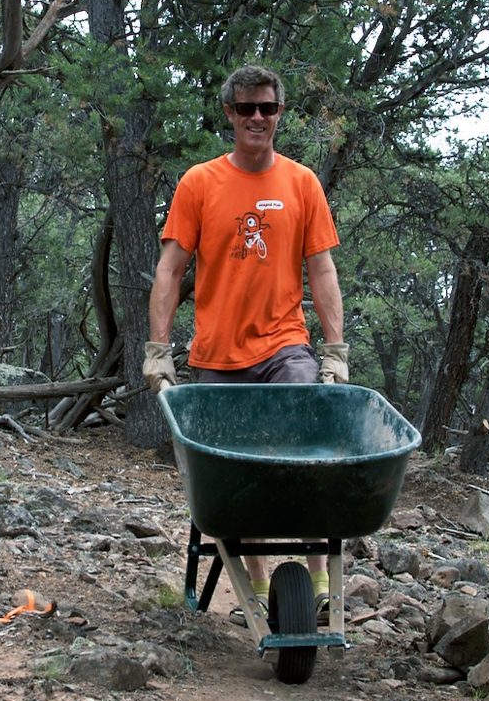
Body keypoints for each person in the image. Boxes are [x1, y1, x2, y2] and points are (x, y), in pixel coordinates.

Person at [142, 63, 349, 624]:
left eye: (268, 108)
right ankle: (255, 584)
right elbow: (170, 270)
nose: (257, 118)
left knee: (311, 440)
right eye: (246, 108)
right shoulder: (200, 183)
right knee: (235, 473)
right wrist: (158, 351)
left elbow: (322, 270)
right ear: (230, 114)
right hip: (217, 356)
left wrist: (334, 351)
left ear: (280, 113)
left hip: (284, 347)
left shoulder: (301, 183)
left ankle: (317, 572)